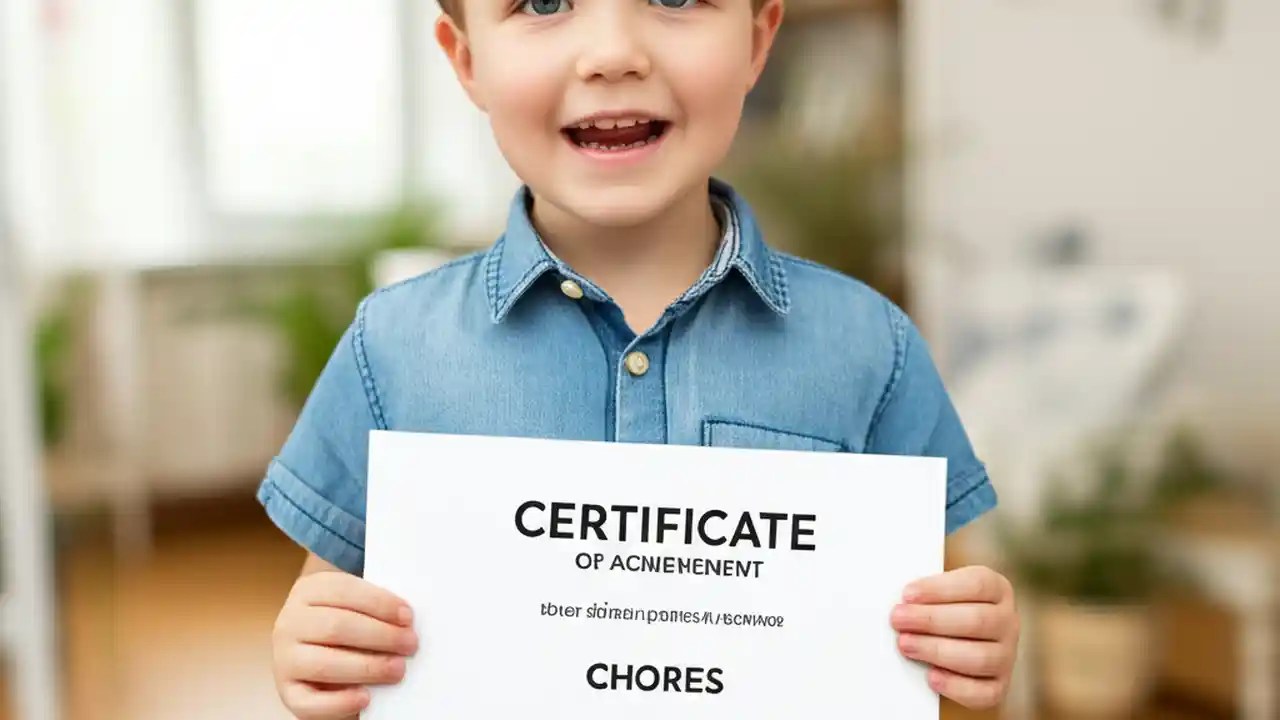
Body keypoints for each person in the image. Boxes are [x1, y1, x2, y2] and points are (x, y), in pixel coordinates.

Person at [262, 0, 1020, 716]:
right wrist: (316, 653)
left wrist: (972, 646)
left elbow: (948, 621)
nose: (614, 53)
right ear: (466, 62)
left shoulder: (870, 347)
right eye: (546, 1)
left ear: (757, 40)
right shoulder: (390, 348)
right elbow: (331, 621)